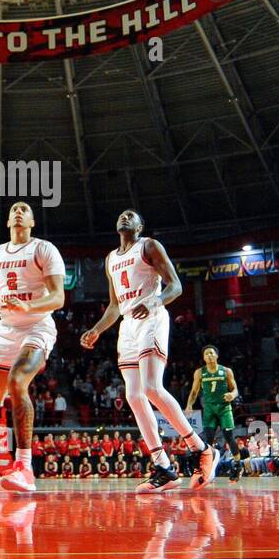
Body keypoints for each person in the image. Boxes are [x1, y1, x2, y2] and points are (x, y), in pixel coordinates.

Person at [80, 209, 216, 493]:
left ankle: (201, 448)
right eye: (122, 215)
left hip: (152, 318)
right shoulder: (110, 259)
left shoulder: (149, 246)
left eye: (132, 216)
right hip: (128, 325)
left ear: (140, 226)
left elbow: (175, 286)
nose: (125, 217)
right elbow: (115, 306)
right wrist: (96, 330)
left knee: (152, 388)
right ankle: (164, 467)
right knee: (133, 395)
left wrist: (154, 302)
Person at [0, 201, 66, 494]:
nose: (18, 212)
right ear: (8, 222)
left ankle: (24, 467)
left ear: (32, 221)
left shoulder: (44, 249)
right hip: (5, 329)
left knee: (18, 382)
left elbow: (58, 298)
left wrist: (28, 305)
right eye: (14, 210)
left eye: (24, 209)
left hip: (36, 326)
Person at [186, 346, 242, 482]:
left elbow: (235, 389)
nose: (209, 355)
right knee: (208, 439)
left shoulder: (226, 371)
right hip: (209, 408)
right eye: (206, 354)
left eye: (211, 353)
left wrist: (232, 395)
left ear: (217, 355)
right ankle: (208, 469)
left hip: (224, 408)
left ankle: (237, 465)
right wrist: (189, 405)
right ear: (204, 358)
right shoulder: (199, 372)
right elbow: (194, 392)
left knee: (229, 436)